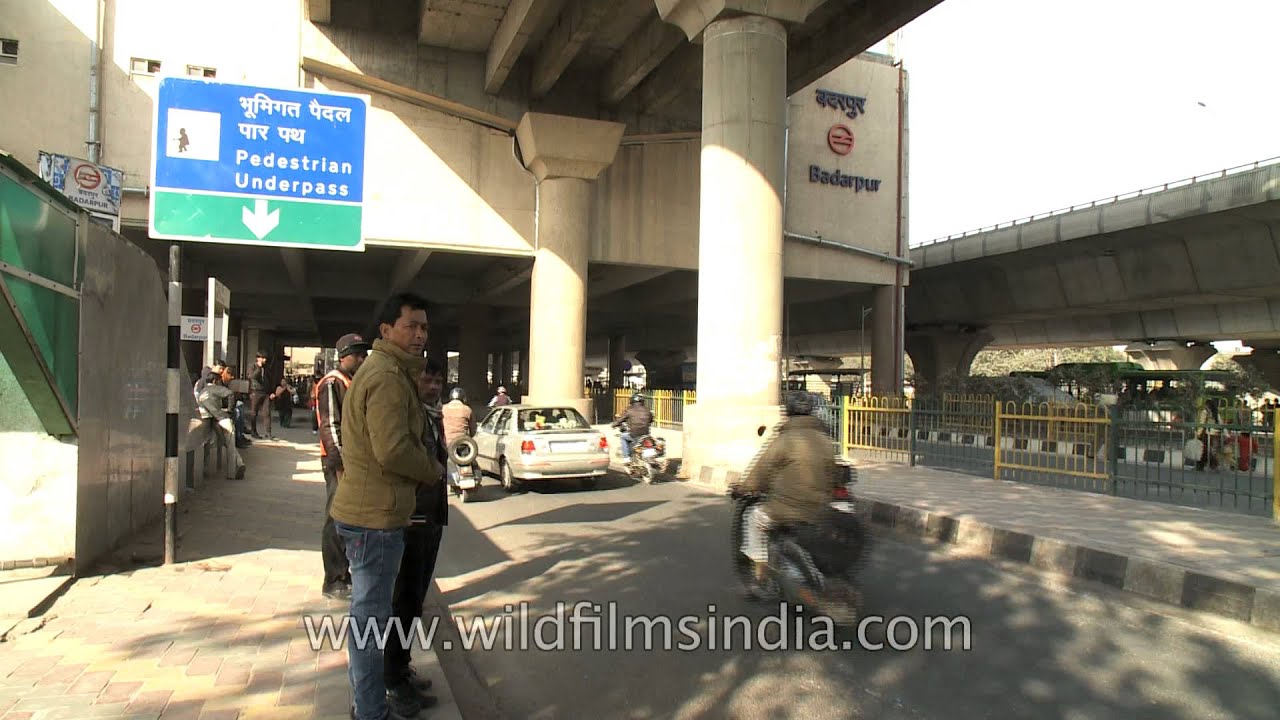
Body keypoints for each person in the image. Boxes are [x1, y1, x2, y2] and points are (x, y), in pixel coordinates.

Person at [330, 293, 440, 720]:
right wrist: (431, 469)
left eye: (424, 328)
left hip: (371, 513)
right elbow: (393, 450)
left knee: (370, 620)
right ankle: (371, 711)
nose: (419, 335)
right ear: (386, 331)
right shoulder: (389, 378)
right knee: (371, 625)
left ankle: (368, 704)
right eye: (411, 325)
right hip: (373, 518)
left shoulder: (387, 372)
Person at [385, 359, 450, 707]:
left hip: (431, 516)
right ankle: (391, 679)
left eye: (439, 380)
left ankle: (401, 666)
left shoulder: (432, 414)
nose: (434, 386)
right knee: (404, 601)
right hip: (412, 517)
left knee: (415, 601)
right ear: (414, 380)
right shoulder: (410, 416)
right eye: (428, 378)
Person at [735, 391, 853, 584]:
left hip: (787, 510)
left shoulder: (783, 440)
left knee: (753, 519)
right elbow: (833, 474)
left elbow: (761, 470)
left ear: (787, 411)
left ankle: (760, 576)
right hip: (821, 511)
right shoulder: (826, 441)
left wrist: (744, 487)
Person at [315, 333, 371, 601]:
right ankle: (334, 579)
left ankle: (347, 573)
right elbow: (330, 425)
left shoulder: (351, 382)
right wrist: (340, 463)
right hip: (339, 462)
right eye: (357, 354)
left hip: (355, 462)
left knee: (350, 519)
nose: (362, 359)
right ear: (343, 356)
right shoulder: (332, 383)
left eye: (364, 354)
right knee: (336, 518)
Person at [196, 371, 246, 480]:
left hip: (213, 422)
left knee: (224, 444)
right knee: (231, 447)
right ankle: (233, 473)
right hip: (224, 419)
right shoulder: (214, 388)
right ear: (214, 381)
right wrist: (229, 409)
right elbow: (230, 393)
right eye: (218, 381)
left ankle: (239, 463)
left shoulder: (201, 393)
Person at [613, 392, 653, 459]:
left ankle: (626, 458)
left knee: (623, 437)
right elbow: (651, 420)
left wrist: (614, 424)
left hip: (634, 434)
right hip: (646, 434)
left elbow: (621, 419)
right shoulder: (647, 410)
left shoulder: (630, 410)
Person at [248, 351, 276, 440]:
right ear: (258, 358)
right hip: (256, 391)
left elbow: (270, 380)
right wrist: (259, 368)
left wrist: (272, 391)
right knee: (254, 412)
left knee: (267, 413)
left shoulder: (267, 368)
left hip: (266, 392)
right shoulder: (252, 366)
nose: (265, 360)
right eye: (263, 358)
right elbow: (253, 377)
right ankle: (253, 431)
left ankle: (268, 432)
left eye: (265, 358)